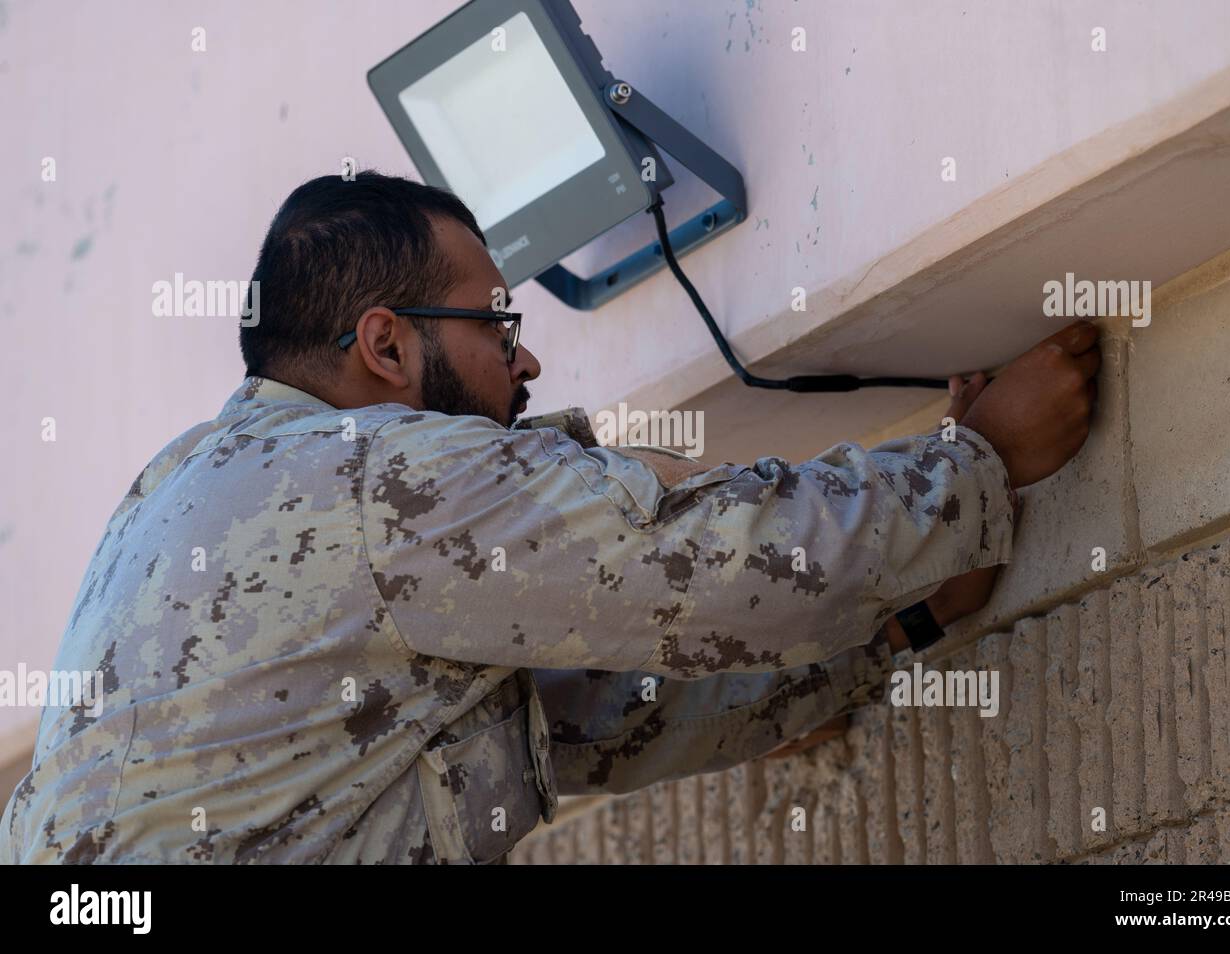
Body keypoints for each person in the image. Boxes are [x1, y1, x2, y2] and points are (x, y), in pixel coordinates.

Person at [0, 171, 1099, 864]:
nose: (525, 359)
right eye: (494, 323)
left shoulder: (185, 486)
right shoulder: (377, 474)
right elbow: (702, 572)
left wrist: (898, 627)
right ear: (386, 346)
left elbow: (591, 715)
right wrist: (980, 466)